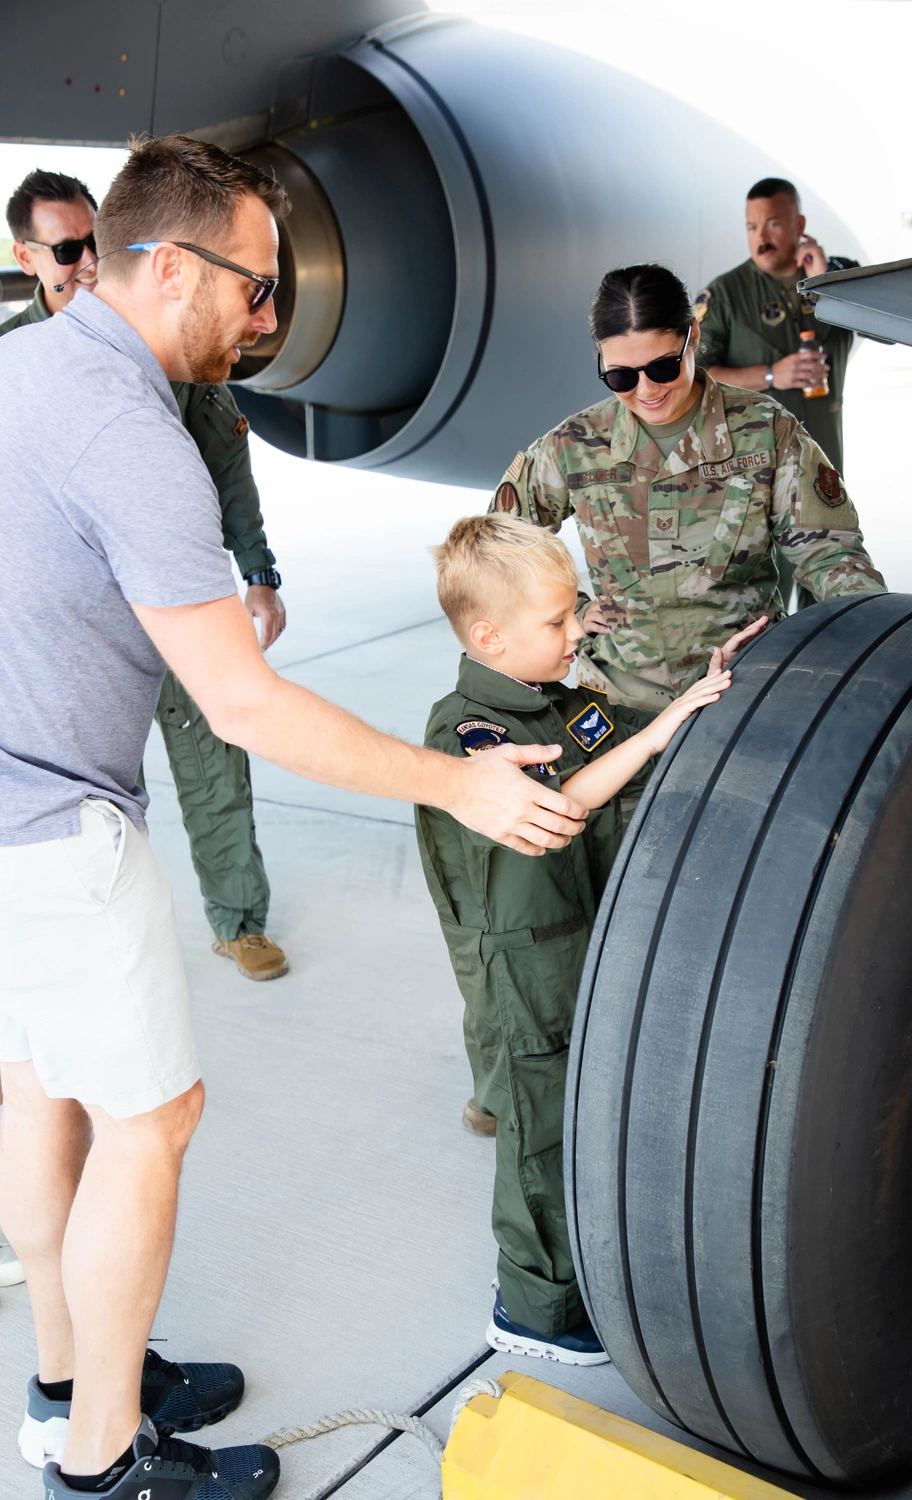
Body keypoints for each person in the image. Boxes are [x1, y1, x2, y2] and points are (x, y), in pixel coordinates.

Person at [0, 135, 586, 1500]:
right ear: (168, 263)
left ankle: (66, 1375)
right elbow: (244, 705)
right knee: (155, 1118)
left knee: (41, 1097)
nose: (266, 320)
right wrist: (459, 782)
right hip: (51, 835)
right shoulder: (133, 436)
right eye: (254, 288)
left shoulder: (24, 368)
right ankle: (101, 1466)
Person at [416, 514, 749, 1363]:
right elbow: (563, 801)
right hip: (524, 965)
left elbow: (616, 733)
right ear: (490, 636)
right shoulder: (469, 735)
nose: (577, 633)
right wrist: (660, 729)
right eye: (558, 623)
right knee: (537, 1133)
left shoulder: (562, 700)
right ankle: (531, 1306)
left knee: (577, 1111)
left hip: (580, 940)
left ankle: (572, 1269)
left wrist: (689, 697)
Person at [3, 169, 289, 982]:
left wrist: (259, 569)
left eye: (94, 239)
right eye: (65, 247)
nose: (86, 258)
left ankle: (239, 920)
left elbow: (230, 467)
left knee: (215, 760)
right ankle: (108, 923)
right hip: (81, 630)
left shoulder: (171, 351)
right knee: (92, 790)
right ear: (27, 255)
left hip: (178, 599)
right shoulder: (18, 363)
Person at [490, 262, 886, 715]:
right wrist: (571, 615)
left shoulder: (765, 430)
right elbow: (499, 546)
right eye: (621, 376)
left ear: (693, 337)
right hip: (621, 710)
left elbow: (829, 554)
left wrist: (879, 640)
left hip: (746, 696)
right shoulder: (573, 446)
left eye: (662, 367)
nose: (645, 390)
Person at [695, 176, 859, 479]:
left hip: (824, 468)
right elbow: (695, 379)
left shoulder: (840, 278)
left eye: (773, 224)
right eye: (752, 227)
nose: (761, 238)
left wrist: (829, 284)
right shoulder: (725, 294)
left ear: (799, 224)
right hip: (755, 474)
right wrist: (772, 375)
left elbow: (886, 331)